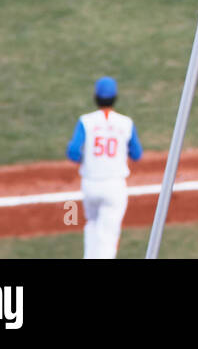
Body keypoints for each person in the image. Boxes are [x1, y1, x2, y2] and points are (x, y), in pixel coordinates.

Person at [66, 76, 142, 259]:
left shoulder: (86, 121)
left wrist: (90, 159)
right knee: (109, 235)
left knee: (92, 226)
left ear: (95, 97)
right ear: (115, 97)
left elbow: (73, 152)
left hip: (90, 184)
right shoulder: (126, 123)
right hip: (115, 186)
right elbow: (137, 154)